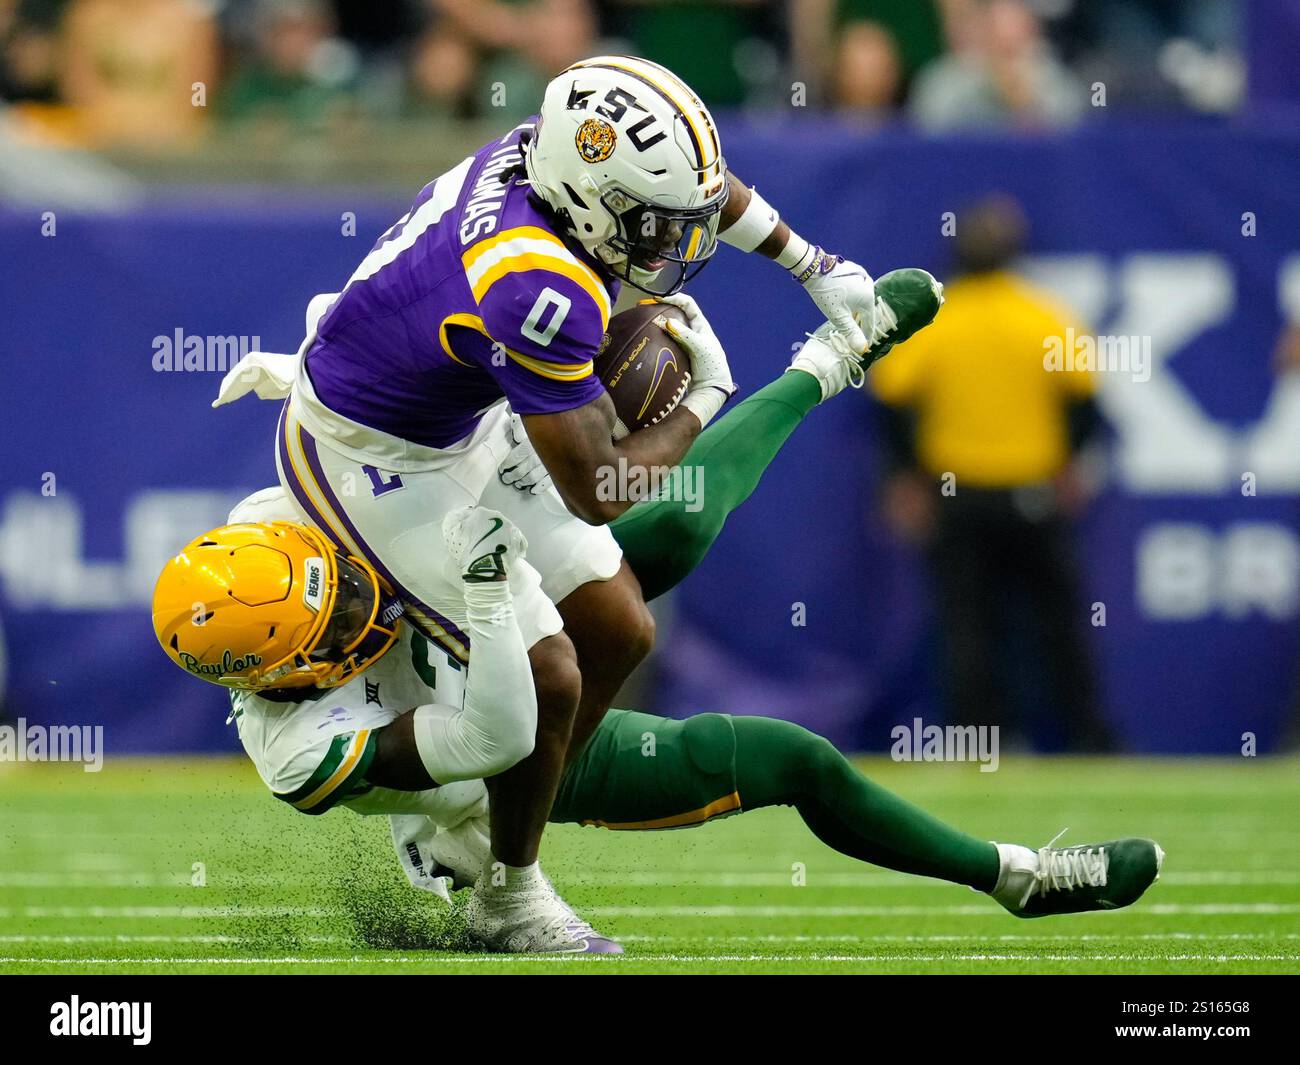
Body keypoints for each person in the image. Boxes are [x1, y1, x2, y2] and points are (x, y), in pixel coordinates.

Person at [158, 272, 1164, 953]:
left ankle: (829, 357)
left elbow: (364, 418)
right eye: (330, 635)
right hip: (486, 764)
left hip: (466, 607)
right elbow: (501, 725)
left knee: (668, 528)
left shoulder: (285, 533)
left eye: (335, 591)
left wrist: (305, 377)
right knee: (792, 759)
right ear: (278, 671)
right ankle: (1019, 878)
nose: (349, 612)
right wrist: (479, 589)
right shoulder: (301, 749)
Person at [211, 55, 882, 949]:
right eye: (649, 226)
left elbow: (706, 188)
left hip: (453, 412)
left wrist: (809, 262)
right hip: (367, 459)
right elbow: (602, 490)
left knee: (621, 629)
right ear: (593, 195)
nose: (669, 246)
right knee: (551, 672)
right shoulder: (534, 281)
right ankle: (506, 890)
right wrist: (704, 399)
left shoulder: (544, 156)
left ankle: (492, 818)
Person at [871, 195, 1114, 751]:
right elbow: (1085, 406)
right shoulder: (1041, 314)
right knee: (1057, 626)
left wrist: (905, 479)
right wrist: (1069, 466)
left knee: (967, 626)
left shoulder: (939, 318)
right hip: (1033, 494)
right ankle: (1086, 738)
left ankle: (981, 740)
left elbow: (893, 407)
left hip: (957, 495)